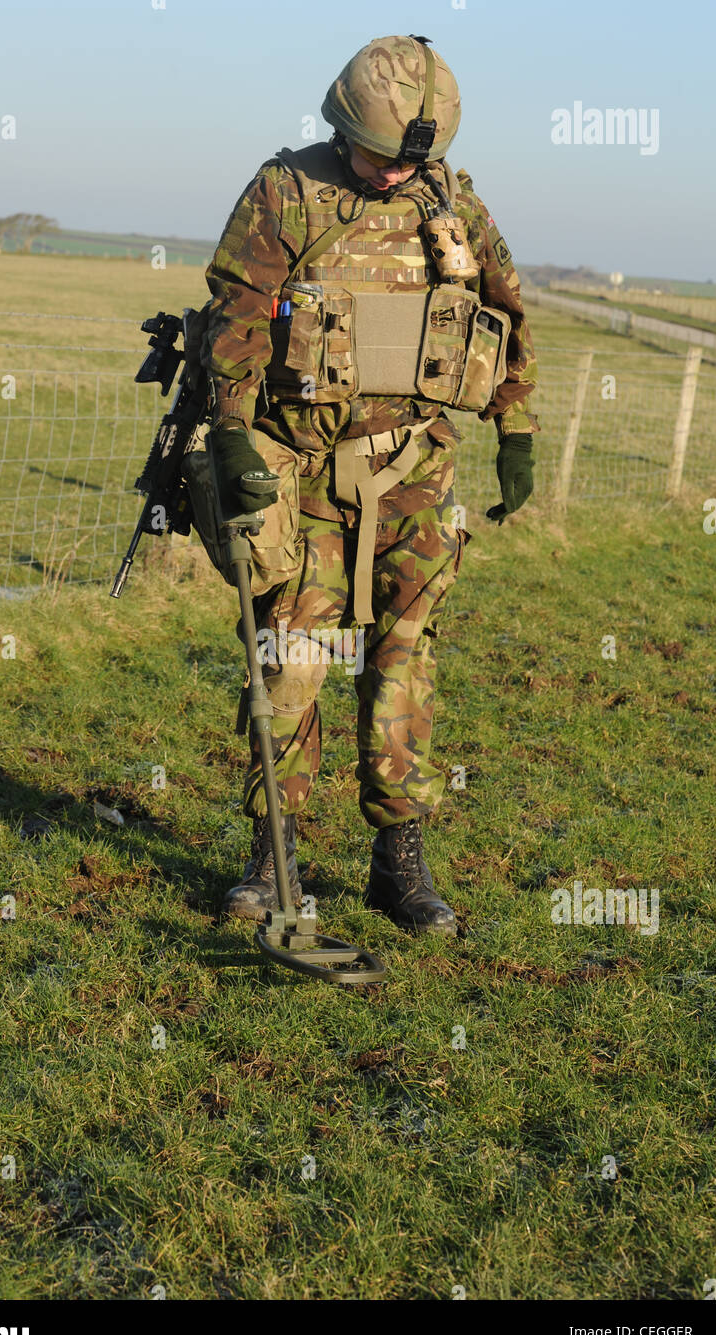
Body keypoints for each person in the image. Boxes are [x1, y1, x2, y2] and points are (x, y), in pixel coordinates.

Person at [201, 34, 538, 934]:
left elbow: (504, 310)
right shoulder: (286, 191)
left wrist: (517, 427)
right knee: (291, 662)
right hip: (302, 467)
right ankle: (271, 865)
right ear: (340, 123)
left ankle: (399, 865)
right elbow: (234, 312)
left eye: (410, 162)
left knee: (402, 661)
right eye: (380, 156)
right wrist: (231, 436)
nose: (393, 176)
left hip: (414, 470)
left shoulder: (452, 202)